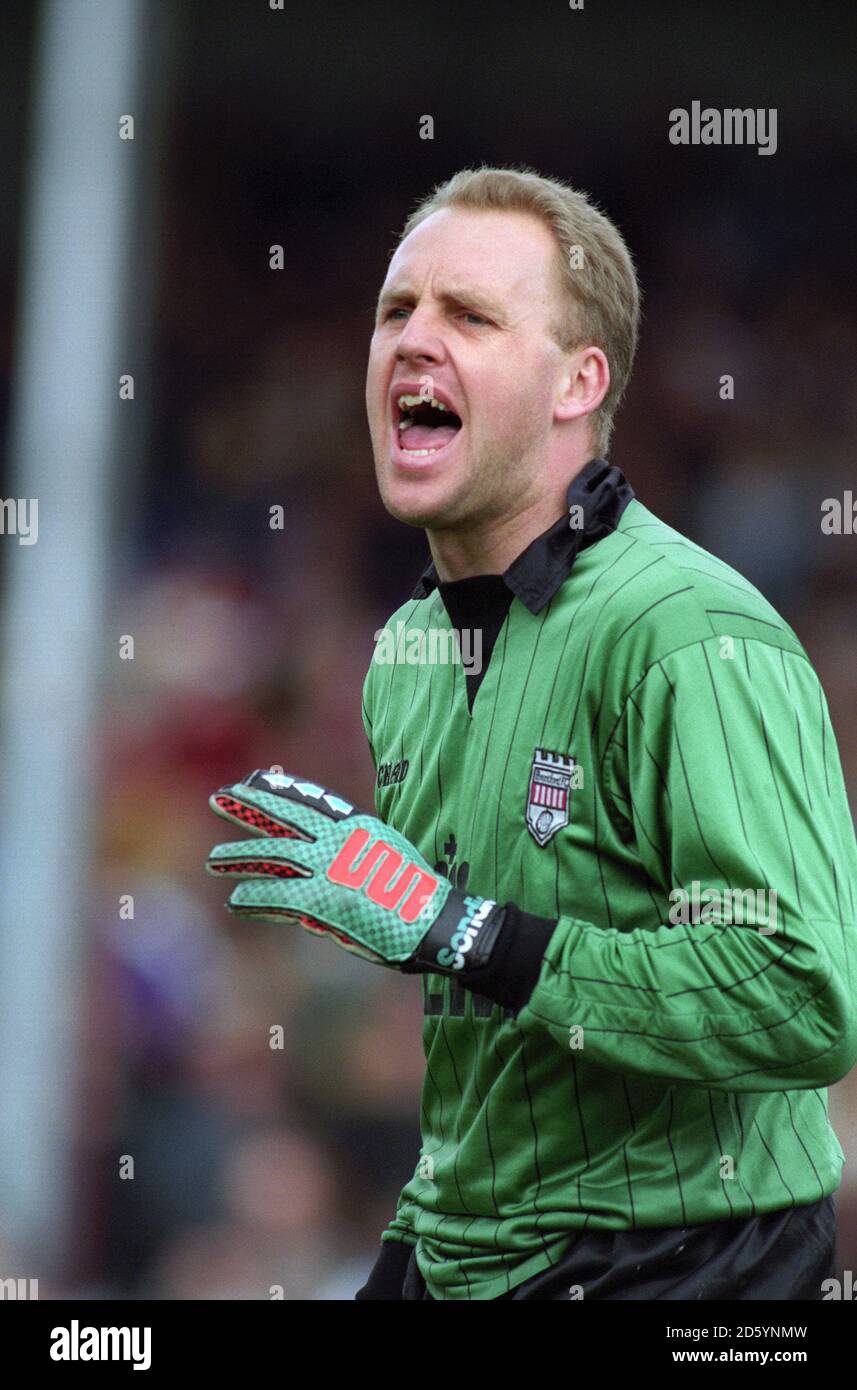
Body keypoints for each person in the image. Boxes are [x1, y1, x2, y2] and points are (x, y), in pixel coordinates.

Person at [206, 167, 857, 1300]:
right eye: (393, 310)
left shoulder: (691, 634)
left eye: (468, 315)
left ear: (577, 381)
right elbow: (482, 1039)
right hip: (468, 1241)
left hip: (691, 1260)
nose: (411, 340)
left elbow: (798, 995)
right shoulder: (404, 653)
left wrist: (461, 930)